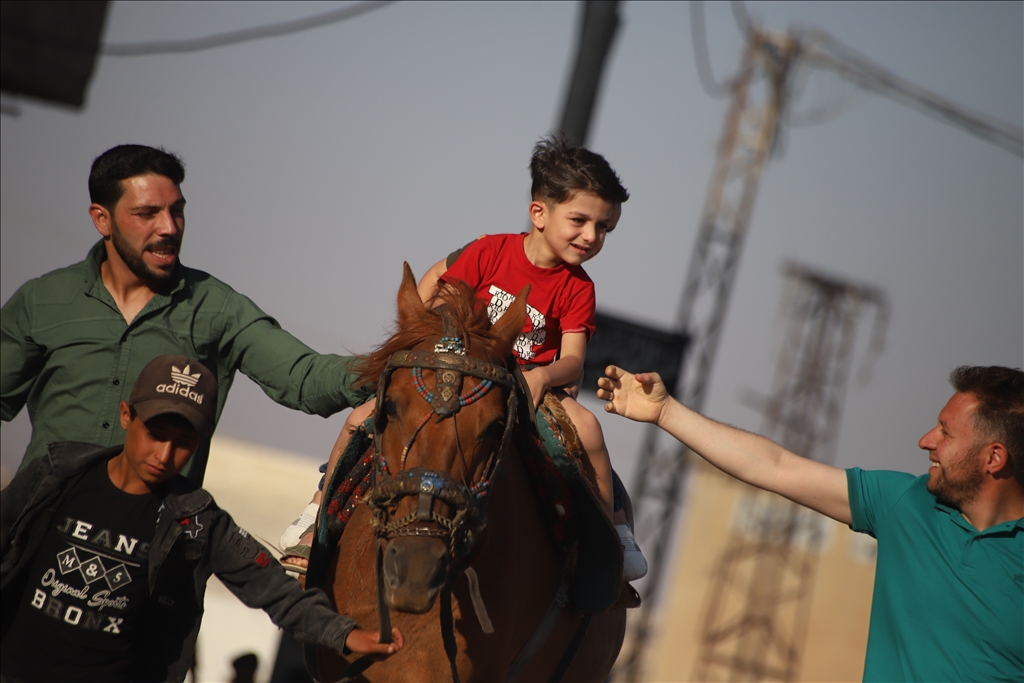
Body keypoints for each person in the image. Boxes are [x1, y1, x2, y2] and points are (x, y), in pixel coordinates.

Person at [289, 135, 647, 580]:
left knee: (589, 428)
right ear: (539, 213)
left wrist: (543, 375)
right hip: (466, 377)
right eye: (580, 220)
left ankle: (609, 538)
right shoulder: (489, 251)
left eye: (604, 228)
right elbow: (442, 306)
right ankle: (318, 513)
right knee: (361, 417)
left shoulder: (579, 288)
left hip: (530, 388)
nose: (591, 236)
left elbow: (574, 360)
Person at [597, 364, 1023, 682]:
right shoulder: (905, 503)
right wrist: (665, 412)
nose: (926, 440)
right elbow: (775, 466)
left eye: (946, 433)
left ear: (994, 458)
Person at [0, 355, 403, 683]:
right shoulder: (56, 477)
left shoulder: (198, 522)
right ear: (126, 415)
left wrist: (346, 634)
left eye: (183, 442)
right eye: (156, 433)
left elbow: (273, 589)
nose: (164, 455)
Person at [0, 145, 370, 484]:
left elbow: (304, 378)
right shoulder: (42, 300)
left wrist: (398, 360)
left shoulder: (217, 308)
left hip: (150, 532)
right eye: (147, 214)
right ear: (102, 219)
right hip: (37, 524)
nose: (169, 227)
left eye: (176, 211)